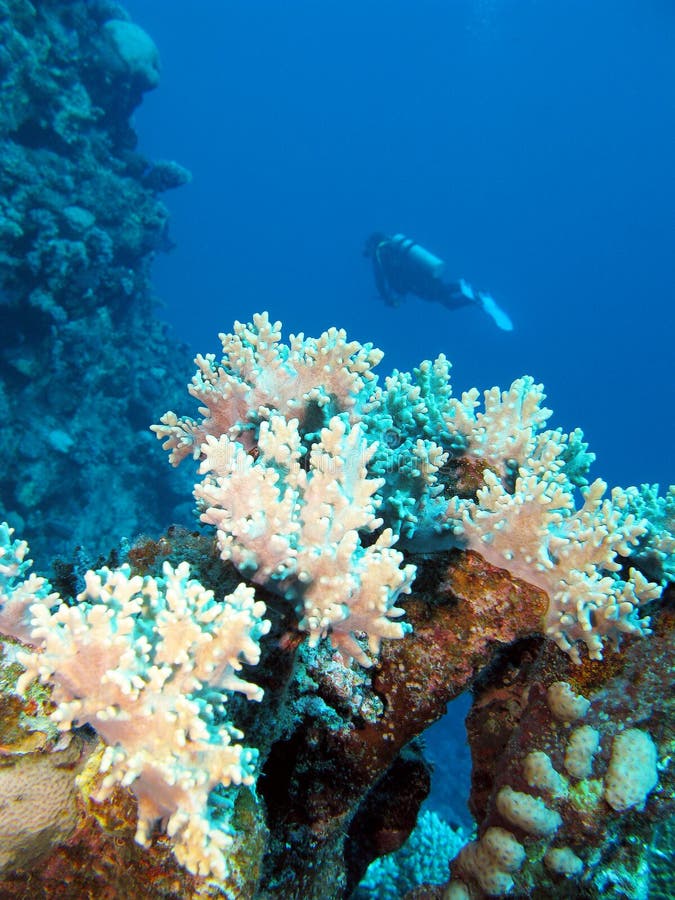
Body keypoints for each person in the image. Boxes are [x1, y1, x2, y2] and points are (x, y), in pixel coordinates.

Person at [363, 232, 513, 331]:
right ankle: (477, 299)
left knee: (437, 296)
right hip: (425, 275)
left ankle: (466, 289)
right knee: (449, 304)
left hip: (417, 281)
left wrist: (386, 298)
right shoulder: (393, 249)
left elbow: (380, 280)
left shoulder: (381, 253)